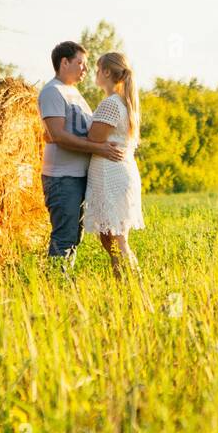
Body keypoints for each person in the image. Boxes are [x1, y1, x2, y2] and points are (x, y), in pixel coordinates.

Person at [38, 40, 123, 262]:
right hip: (62, 177)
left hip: (77, 176)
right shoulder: (52, 92)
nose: (85, 69)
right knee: (64, 237)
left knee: (75, 237)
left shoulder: (73, 92)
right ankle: (55, 286)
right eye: (80, 63)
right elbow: (58, 135)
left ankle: (62, 286)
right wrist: (99, 149)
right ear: (64, 62)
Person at [82, 52, 144, 276]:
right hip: (115, 172)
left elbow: (93, 140)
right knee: (109, 238)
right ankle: (122, 285)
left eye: (98, 69)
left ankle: (134, 286)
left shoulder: (112, 103)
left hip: (112, 175)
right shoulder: (120, 101)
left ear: (107, 72)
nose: (95, 74)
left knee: (116, 237)